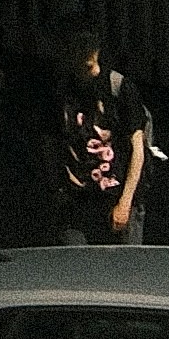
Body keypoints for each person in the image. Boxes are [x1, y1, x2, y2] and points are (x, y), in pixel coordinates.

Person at [50, 28, 158, 245]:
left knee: (124, 271)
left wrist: (126, 201)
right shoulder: (63, 90)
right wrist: (58, 187)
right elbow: (52, 139)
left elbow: (138, 147)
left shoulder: (118, 87)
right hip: (79, 199)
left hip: (117, 193)